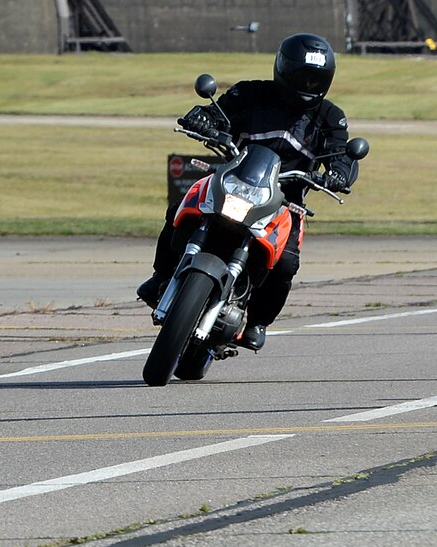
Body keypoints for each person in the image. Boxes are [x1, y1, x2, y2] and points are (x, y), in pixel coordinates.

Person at [136, 33, 359, 350]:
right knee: (180, 210)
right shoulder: (250, 92)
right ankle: (162, 275)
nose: (307, 84)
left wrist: (338, 174)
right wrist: (202, 118)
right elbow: (218, 112)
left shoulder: (330, 117)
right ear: (283, 69)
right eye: (301, 76)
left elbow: (342, 154)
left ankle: (256, 320)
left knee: (285, 263)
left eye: (315, 79)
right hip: (232, 179)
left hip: (285, 202)